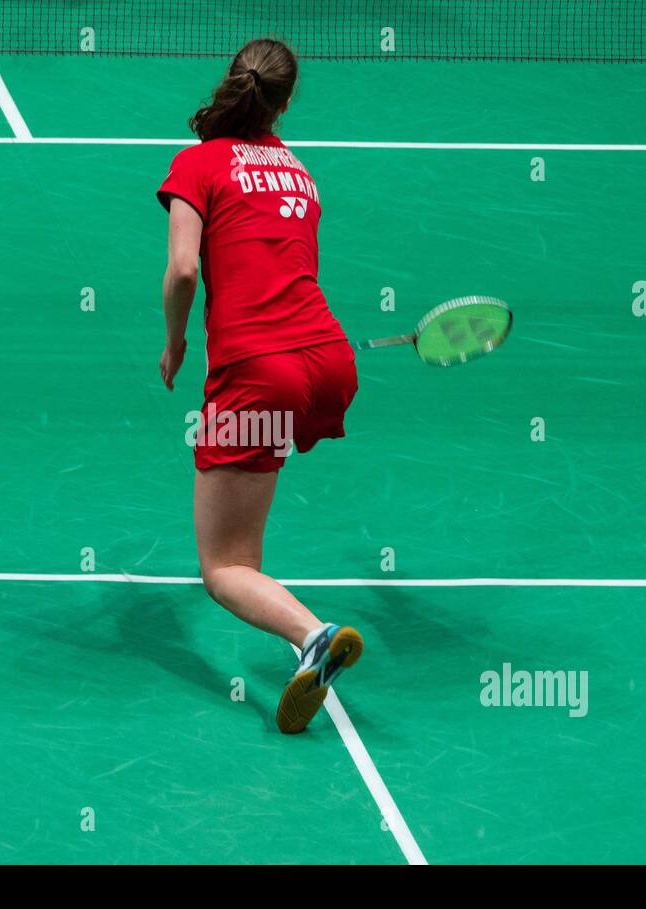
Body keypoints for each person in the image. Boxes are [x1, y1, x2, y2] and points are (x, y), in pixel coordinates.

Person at [156, 38, 363, 734]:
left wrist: (177, 339)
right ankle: (293, 623)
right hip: (328, 361)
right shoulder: (300, 172)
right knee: (258, 477)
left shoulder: (198, 162)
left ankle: (310, 636)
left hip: (259, 374)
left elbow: (184, 270)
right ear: (286, 101)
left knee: (225, 567)